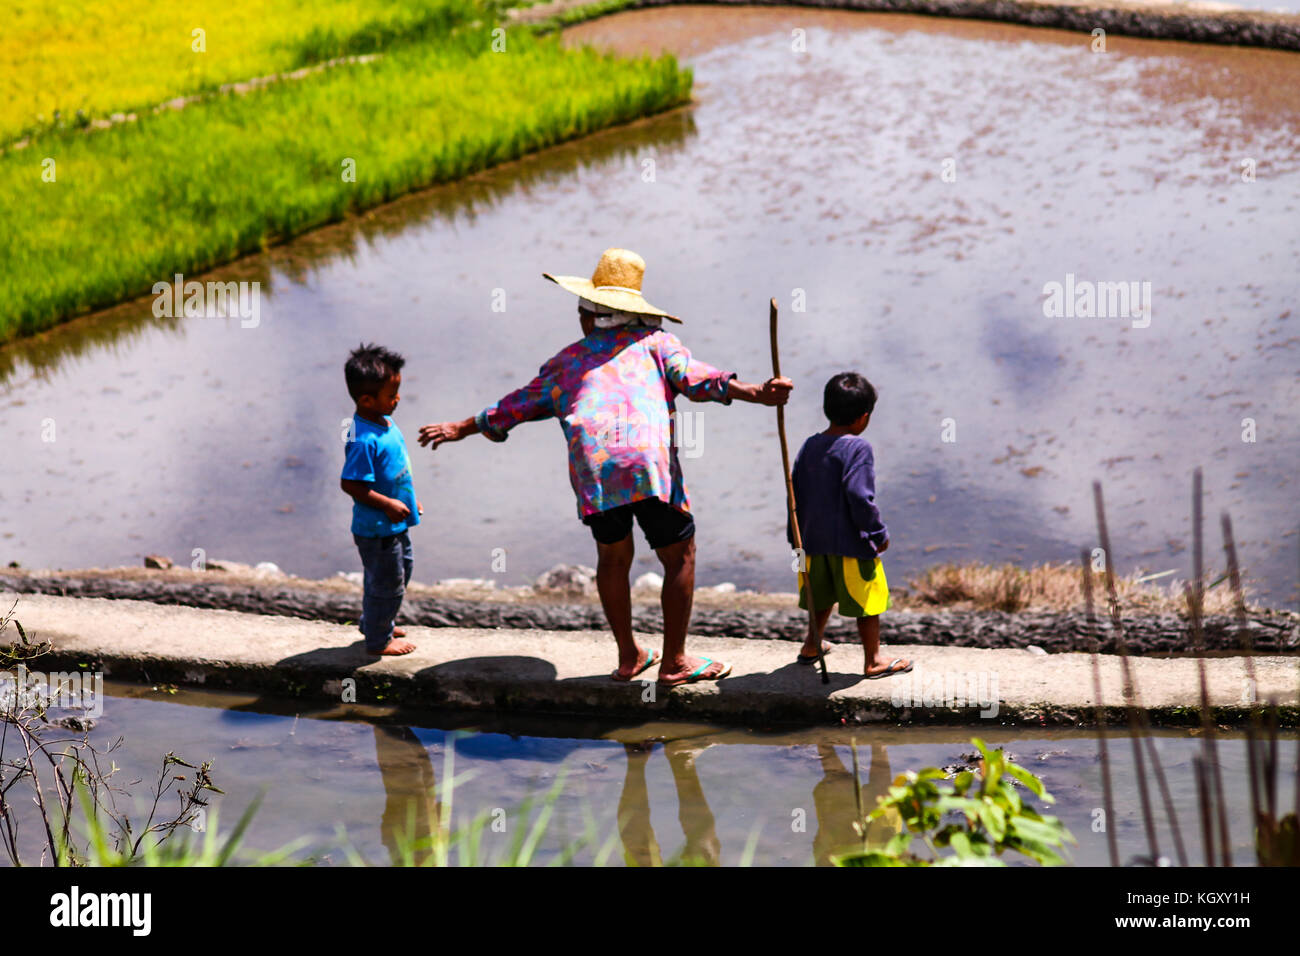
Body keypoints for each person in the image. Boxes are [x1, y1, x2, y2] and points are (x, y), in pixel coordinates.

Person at [418, 248, 792, 686]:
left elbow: (514, 406)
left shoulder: (566, 362)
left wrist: (460, 427)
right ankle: (673, 662)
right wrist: (756, 392)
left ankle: (629, 657)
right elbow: (698, 378)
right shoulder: (657, 344)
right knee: (680, 556)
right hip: (645, 468)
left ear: (590, 316)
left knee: (613, 559)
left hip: (596, 472)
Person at [789, 372, 911, 678]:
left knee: (820, 594)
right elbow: (859, 495)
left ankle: (811, 645)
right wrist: (877, 532)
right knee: (868, 601)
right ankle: (873, 660)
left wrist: (794, 534)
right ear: (863, 417)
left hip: (812, 541)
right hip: (851, 543)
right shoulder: (858, 448)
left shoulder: (809, 445)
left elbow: (795, 492)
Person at [341, 343, 423, 657]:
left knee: (398, 572)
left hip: (394, 522)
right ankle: (378, 640)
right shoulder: (362, 439)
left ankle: (376, 620)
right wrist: (388, 504)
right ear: (366, 399)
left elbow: (394, 472)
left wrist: (408, 500)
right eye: (392, 395)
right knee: (388, 583)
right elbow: (351, 484)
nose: (398, 399)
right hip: (377, 528)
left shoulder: (385, 422)